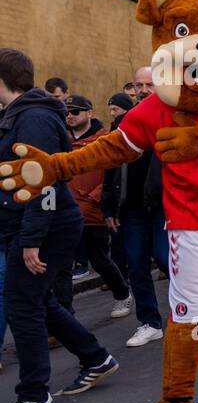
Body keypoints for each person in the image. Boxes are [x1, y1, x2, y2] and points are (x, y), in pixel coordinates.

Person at [0, 49, 118, 403]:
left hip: (43, 226)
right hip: (28, 224)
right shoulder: (17, 116)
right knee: (38, 300)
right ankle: (95, 357)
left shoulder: (33, 119)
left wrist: (32, 239)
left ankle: (35, 395)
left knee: (23, 305)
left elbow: (45, 180)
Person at [100, 91, 166, 348]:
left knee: (165, 258)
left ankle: (194, 307)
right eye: (138, 84)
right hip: (132, 208)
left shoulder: (171, 117)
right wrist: (108, 207)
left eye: (148, 83)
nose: (142, 89)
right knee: (136, 265)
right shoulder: (122, 124)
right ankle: (150, 322)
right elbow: (111, 165)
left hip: (164, 205)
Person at [59, 95, 132, 318]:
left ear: (89, 113)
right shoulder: (62, 139)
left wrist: (97, 198)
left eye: (75, 112)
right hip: (67, 210)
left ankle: (122, 294)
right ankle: (65, 312)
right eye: (67, 113)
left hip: (92, 210)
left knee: (99, 260)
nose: (70, 116)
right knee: (62, 264)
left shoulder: (104, 139)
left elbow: (112, 174)